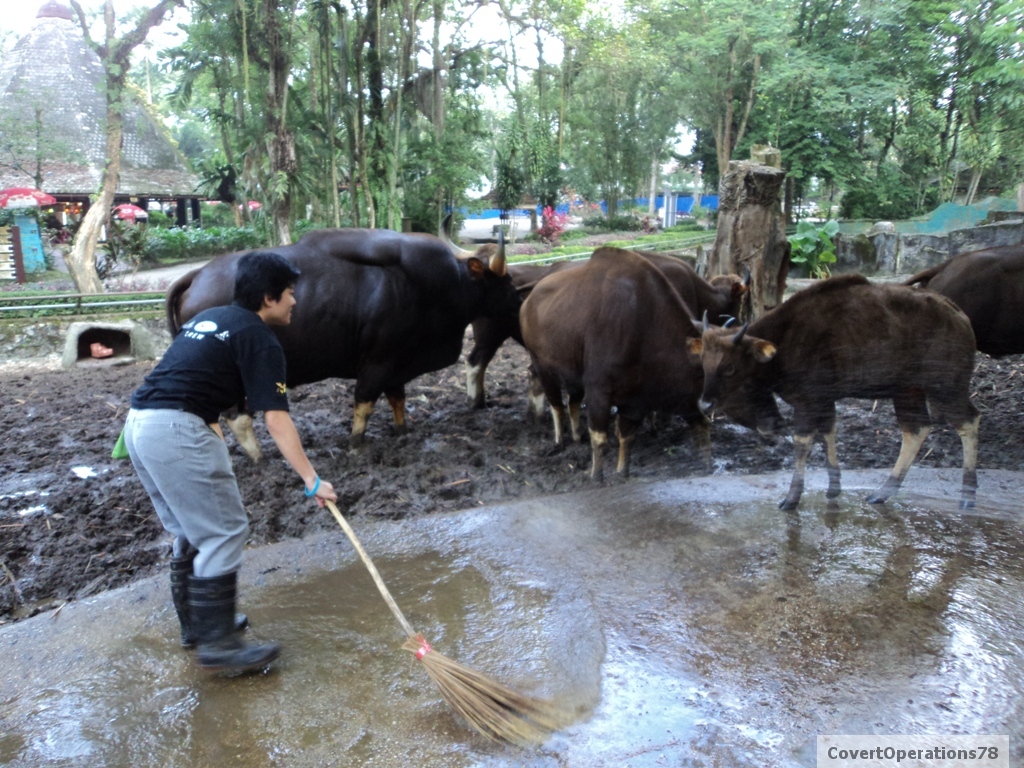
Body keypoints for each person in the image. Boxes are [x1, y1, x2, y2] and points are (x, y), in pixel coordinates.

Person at [124, 250, 337, 673]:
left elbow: (192, 380)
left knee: (191, 528)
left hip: (139, 425)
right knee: (225, 532)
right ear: (268, 297)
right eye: (291, 293)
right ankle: (220, 646)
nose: (296, 302)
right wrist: (313, 481)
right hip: (175, 429)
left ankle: (199, 627)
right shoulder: (259, 338)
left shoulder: (211, 319)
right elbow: (276, 420)